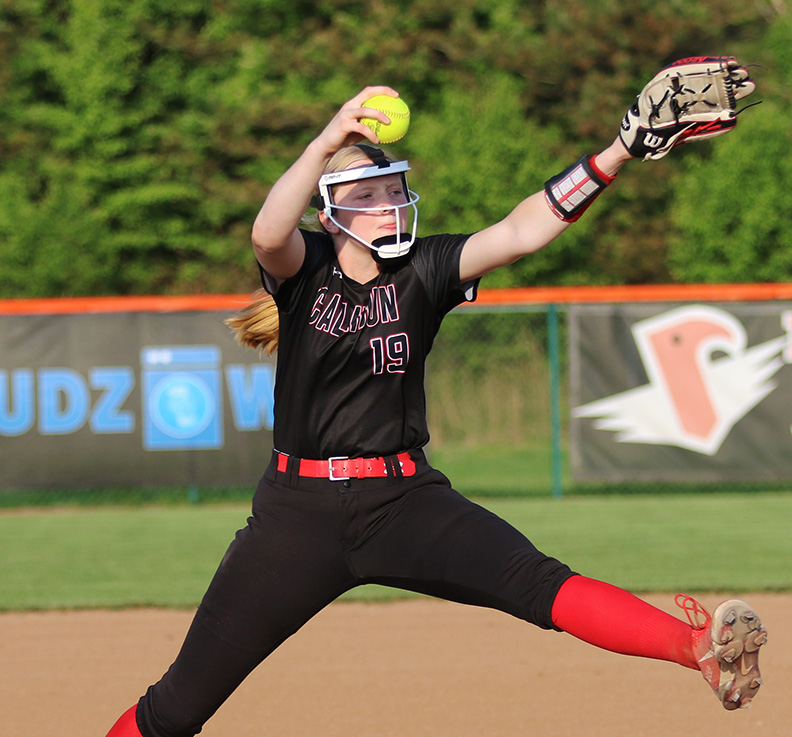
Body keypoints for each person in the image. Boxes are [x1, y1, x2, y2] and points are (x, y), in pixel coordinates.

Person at [105, 75, 767, 737]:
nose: (389, 203)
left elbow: (521, 230)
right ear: (331, 211)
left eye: (394, 189)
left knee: (541, 583)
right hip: (296, 516)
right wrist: (331, 136)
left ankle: (700, 649)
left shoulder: (422, 270)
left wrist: (618, 151)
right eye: (368, 195)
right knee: (177, 708)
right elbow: (267, 229)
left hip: (404, 501)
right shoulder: (303, 270)